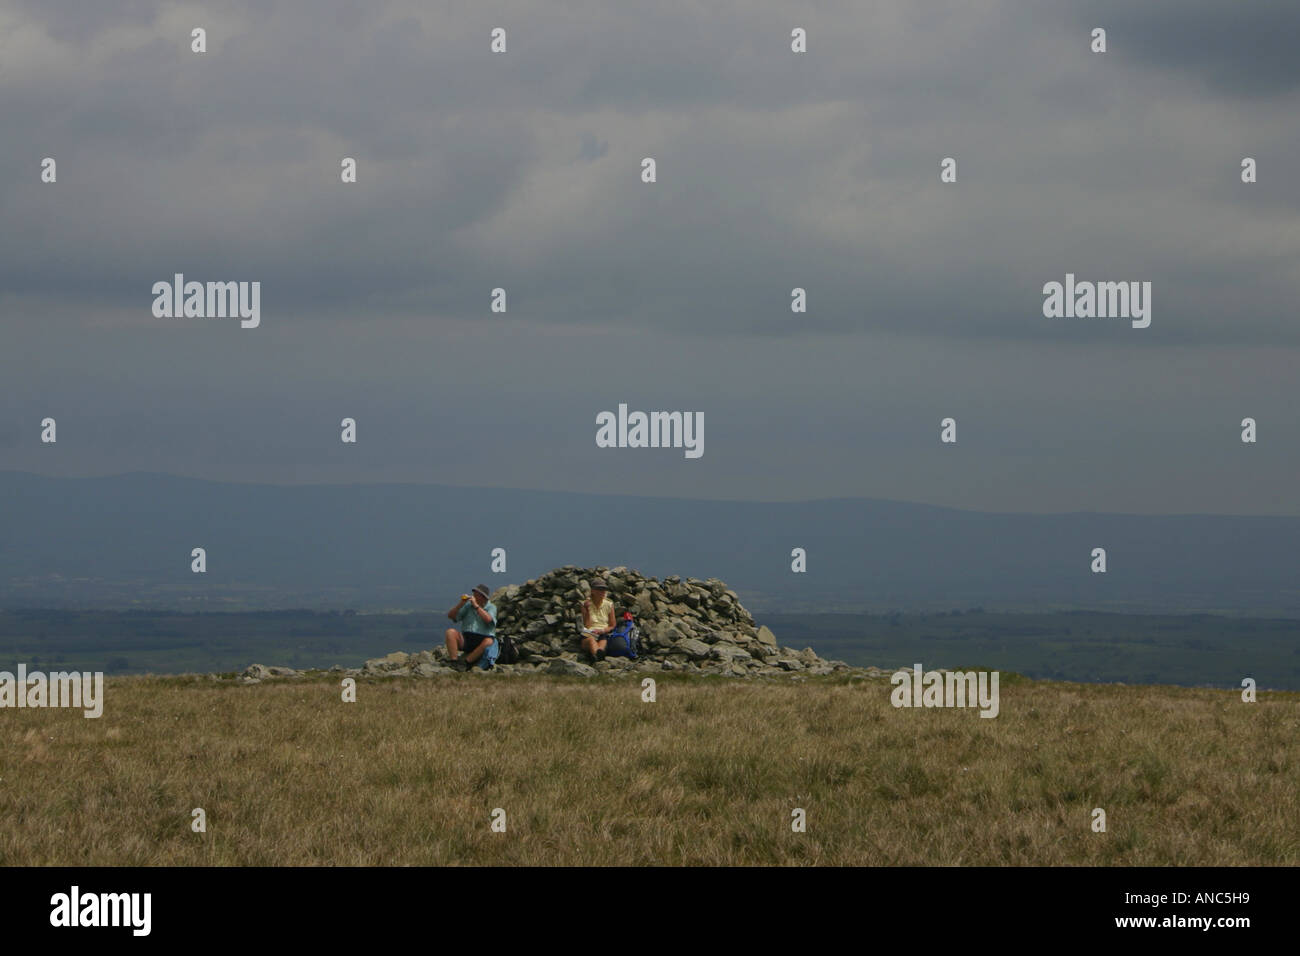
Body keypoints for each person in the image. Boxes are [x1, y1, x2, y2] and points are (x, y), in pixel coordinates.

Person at [445, 584, 499, 671]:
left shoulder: (491, 607)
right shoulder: (468, 606)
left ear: (483, 597)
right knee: (450, 632)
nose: (474, 596)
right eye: (474, 594)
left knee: (489, 641)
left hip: (482, 638)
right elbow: (451, 616)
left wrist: (476, 607)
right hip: (467, 638)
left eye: (477, 595)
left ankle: (467, 662)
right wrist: (461, 604)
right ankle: (454, 661)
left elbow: (488, 619)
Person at [578, 577, 616, 662]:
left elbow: (612, 625)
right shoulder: (585, 604)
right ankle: (599, 657)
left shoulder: (609, 604)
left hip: (603, 633)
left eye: (604, 589)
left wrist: (602, 631)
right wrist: (587, 610)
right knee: (592, 640)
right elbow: (587, 625)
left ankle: (596, 656)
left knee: (603, 641)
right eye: (599, 589)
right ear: (593, 591)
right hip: (589, 633)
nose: (602, 592)